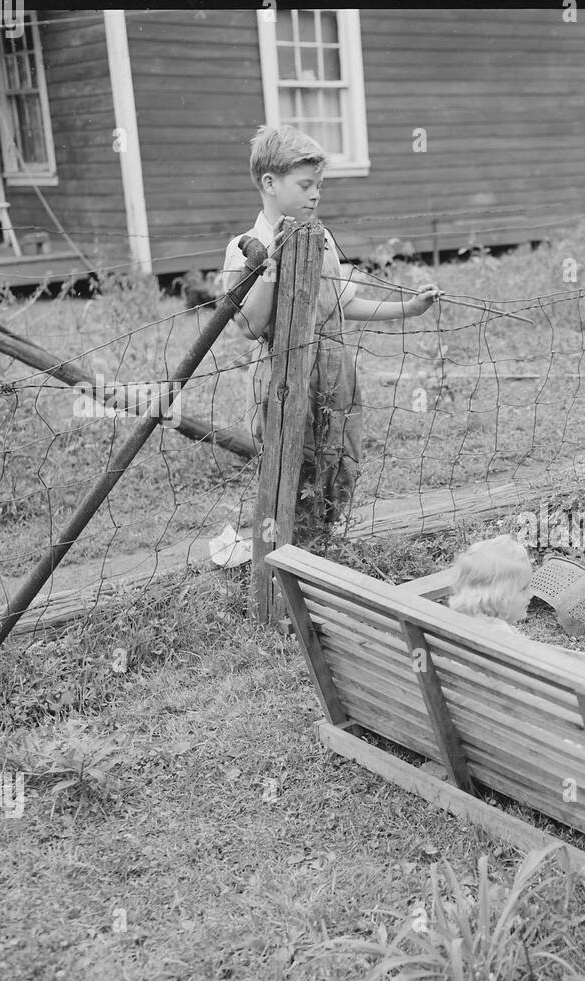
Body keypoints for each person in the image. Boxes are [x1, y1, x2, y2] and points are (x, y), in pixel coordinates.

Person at [222, 125, 442, 532]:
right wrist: (269, 266)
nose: (316, 194)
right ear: (269, 183)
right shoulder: (246, 246)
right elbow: (250, 326)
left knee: (337, 458)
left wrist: (408, 308)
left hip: (334, 371)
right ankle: (285, 552)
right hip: (284, 379)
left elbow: (343, 302)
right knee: (290, 466)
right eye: (305, 185)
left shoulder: (320, 239)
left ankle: (326, 540)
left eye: (319, 185)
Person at [448, 535, 533, 637]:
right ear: (498, 597)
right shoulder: (503, 638)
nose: (530, 594)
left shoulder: (459, 622)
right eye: (523, 588)